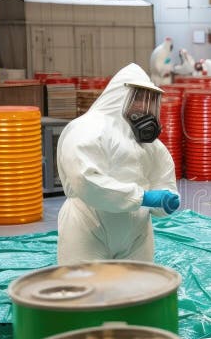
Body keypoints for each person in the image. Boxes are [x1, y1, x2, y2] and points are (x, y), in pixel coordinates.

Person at [56, 63, 180, 265]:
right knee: (83, 290)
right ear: (120, 95)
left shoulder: (152, 146)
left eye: (149, 100)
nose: (145, 106)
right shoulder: (88, 129)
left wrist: (166, 203)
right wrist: (142, 197)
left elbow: (163, 179)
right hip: (88, 225)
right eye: (138, 98)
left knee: (138, 290)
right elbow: (85, 180)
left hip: (137, 233)